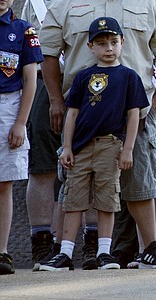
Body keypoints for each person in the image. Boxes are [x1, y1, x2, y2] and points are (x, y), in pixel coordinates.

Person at [40, 0, 156, 269]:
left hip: (133, 113)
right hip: (84, 115)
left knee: (141, 180)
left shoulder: (149, 3)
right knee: (73, 183)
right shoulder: (66, 4)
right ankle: (64, 253)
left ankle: (151, 248)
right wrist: (55, 101)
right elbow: (48, 55)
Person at [38, 17, 147, 271]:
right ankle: (65, 252)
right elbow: (72, 113)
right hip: (80, 147)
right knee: (73, 199)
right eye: (101, 43)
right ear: (90, 47)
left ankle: (104, 252)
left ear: (122, 42)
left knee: (107, 198)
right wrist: (66, 147)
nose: (108, 48)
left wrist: (128, 148)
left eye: (113, 42)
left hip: (110, 145)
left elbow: (133, 115)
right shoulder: (83, 77)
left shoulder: (129, 77)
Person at [21, 0, 91, 270]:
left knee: (94, 166)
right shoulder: (36, 0)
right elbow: (25, 54)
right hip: (44, 95)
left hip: (91, 91)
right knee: (43, 167)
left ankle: (91, 245)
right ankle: (42, 244)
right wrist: (50, 98)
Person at [0, 0, 40, 274]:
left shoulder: (23, 30)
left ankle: (2, 252)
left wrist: (20, 123)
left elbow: (30, 81)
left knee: (4, 184)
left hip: (9, 107)